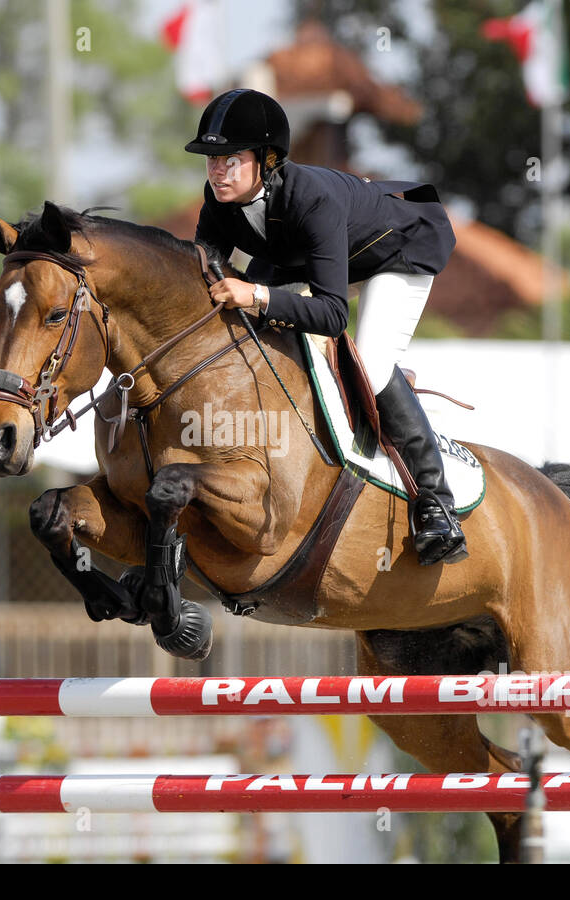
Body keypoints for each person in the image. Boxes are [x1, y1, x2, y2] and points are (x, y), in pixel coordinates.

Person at [186, 88, 466, 565]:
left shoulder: (311, 198)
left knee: (371, 366)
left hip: (393, 253)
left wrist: (254, 295)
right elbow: (201, 280)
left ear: (266, 158)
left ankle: (437, 505)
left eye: (229, 159)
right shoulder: (219, 203)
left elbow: (335, 314)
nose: (216, 170)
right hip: (310, 260)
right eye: (212, 159)